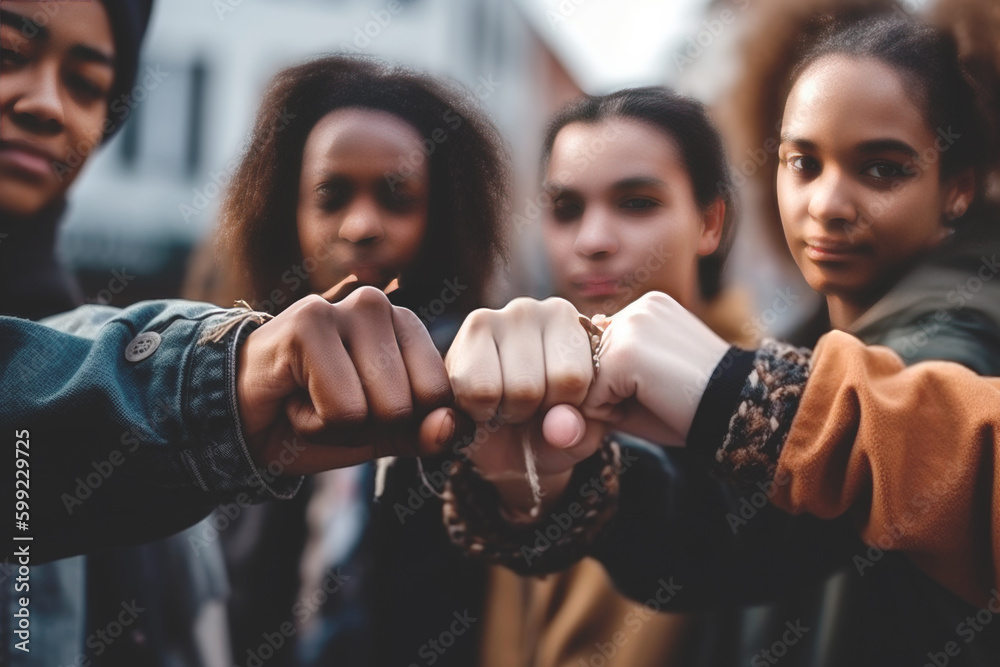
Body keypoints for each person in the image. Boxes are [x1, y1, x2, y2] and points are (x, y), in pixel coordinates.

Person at [444, 12, 1000, 667]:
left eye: (881, 169)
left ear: (959, 187)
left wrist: (742, 397)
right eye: (803, 161)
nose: (827, 203)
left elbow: (757, 522)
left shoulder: (961, 328)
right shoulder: (811, 344)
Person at [183, 54, 511, 666]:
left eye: (397, 198)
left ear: (441, 217)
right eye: (331, 197)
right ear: (288, 212)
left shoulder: (487, 392)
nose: (361, 226)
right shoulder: (220, 390)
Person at [445, 86, 753, 666]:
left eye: (636, 203)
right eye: (565, 210)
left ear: (710, 221)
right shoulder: (519, 387)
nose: (592, 242)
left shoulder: (769, 412)